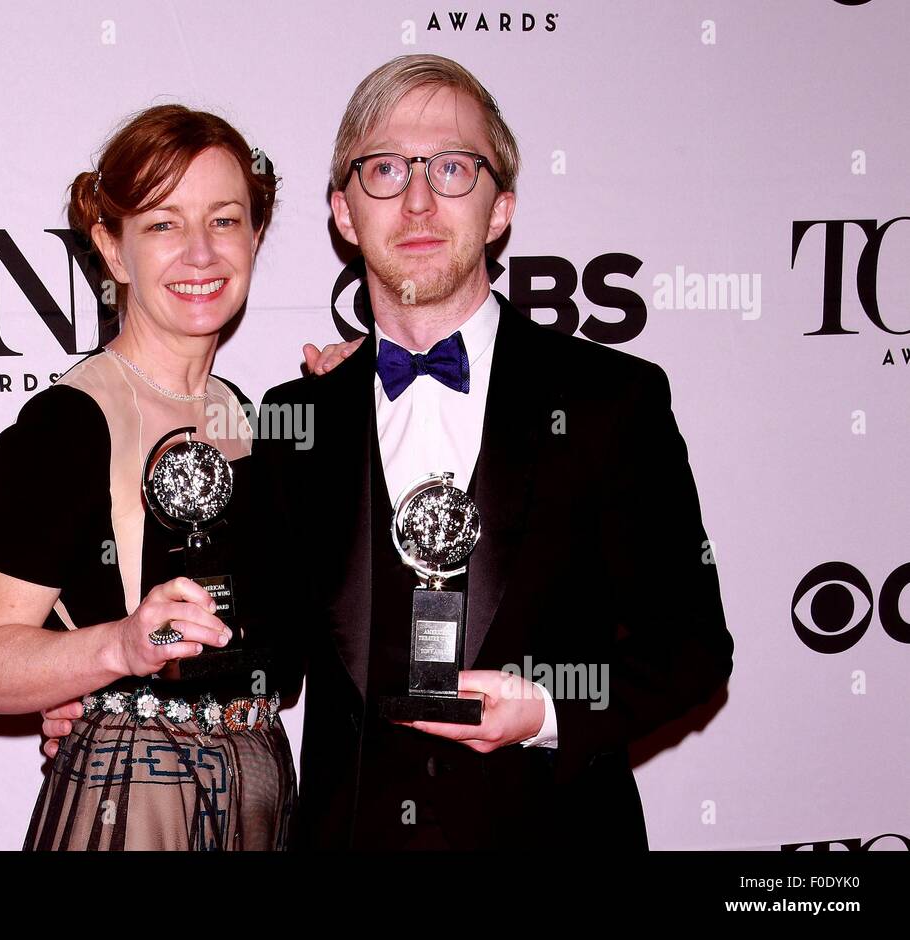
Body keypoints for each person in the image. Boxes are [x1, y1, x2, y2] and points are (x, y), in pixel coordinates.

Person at [47, 55, 734, 850]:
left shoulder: (612, 400)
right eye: (383, 170)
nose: (416, 199)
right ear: (344, 212)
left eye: (450, 167)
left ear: (500, 206)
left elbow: (691, 651)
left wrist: (546, 710)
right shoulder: (294, 419)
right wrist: (111, 696)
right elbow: (269, 646)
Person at [0, 103, 353, 851]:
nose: (201, 253)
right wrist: (119, 650)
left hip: (263, 793)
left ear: (256, 235)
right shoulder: (68, 425)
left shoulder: (254, 419)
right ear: (112, 247)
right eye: (164, 225)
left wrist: (363, 396)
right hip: (134, 803)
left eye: (225, 221)